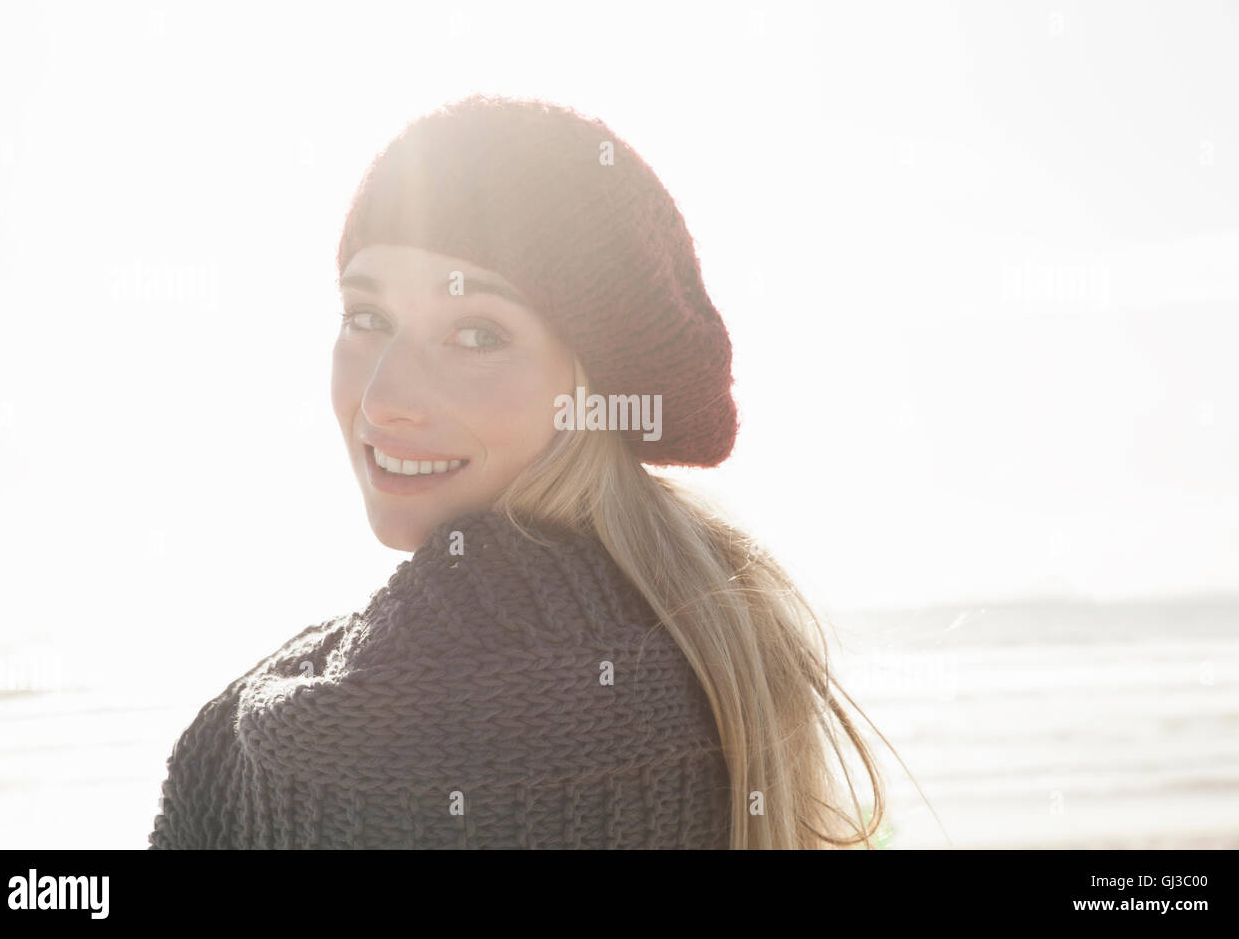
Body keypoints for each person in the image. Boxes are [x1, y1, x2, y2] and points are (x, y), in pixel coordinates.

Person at [149, 93, 893, 849]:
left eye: (476, 334)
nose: (385, 399)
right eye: (366, 319)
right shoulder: (708, 629)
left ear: (595, 388)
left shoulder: (370, 713)